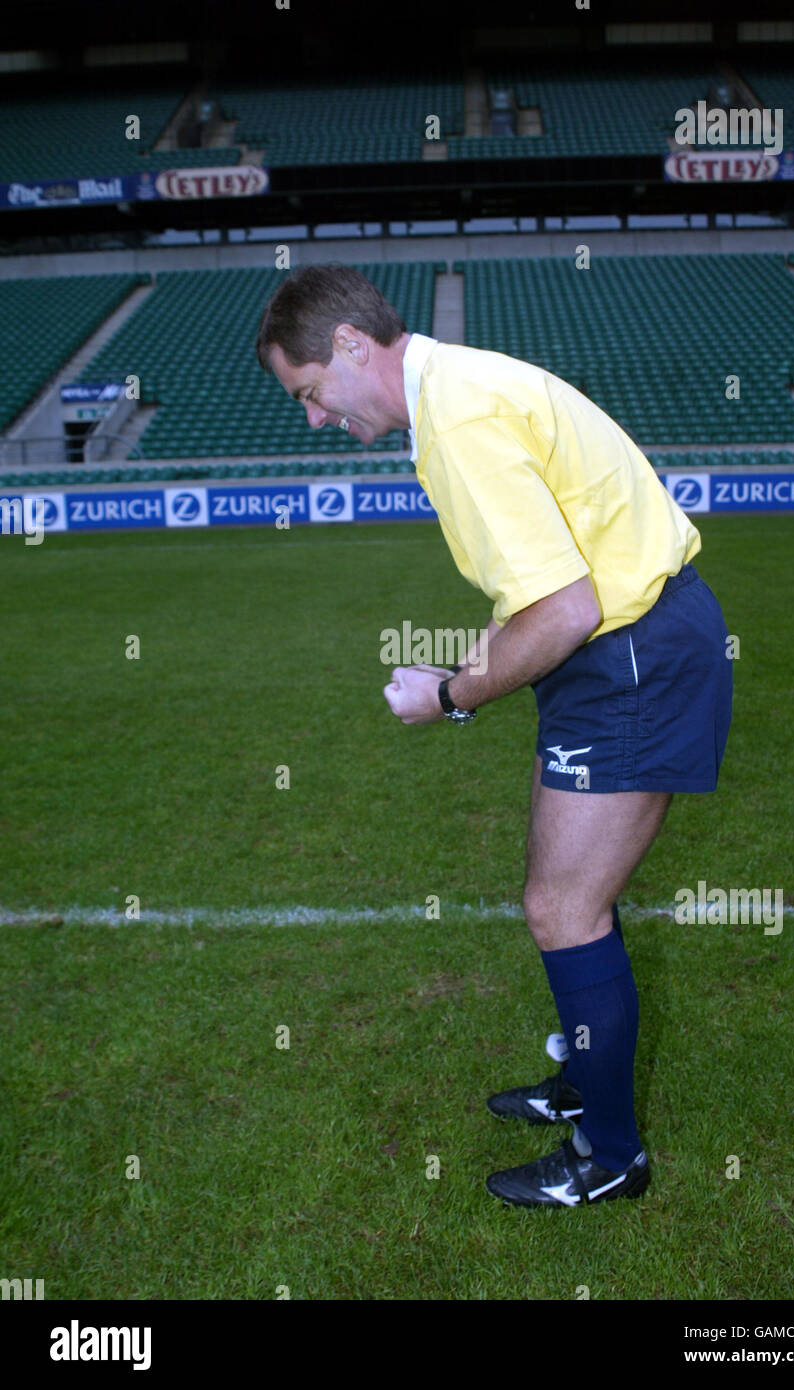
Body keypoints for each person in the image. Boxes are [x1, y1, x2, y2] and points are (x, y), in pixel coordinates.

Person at [256, 263, 733, 1209]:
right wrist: (469, 672)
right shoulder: (459, 388)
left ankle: (610, 1156)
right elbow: (534, 590)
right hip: (623, 649)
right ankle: (587, 1087)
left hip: (626, 654)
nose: (313, 417)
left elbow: (563, 608)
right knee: (565, 900)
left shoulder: (459, 418)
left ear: (349, 344)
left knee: (563, 907)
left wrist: (451, 695)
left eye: (309, 392)